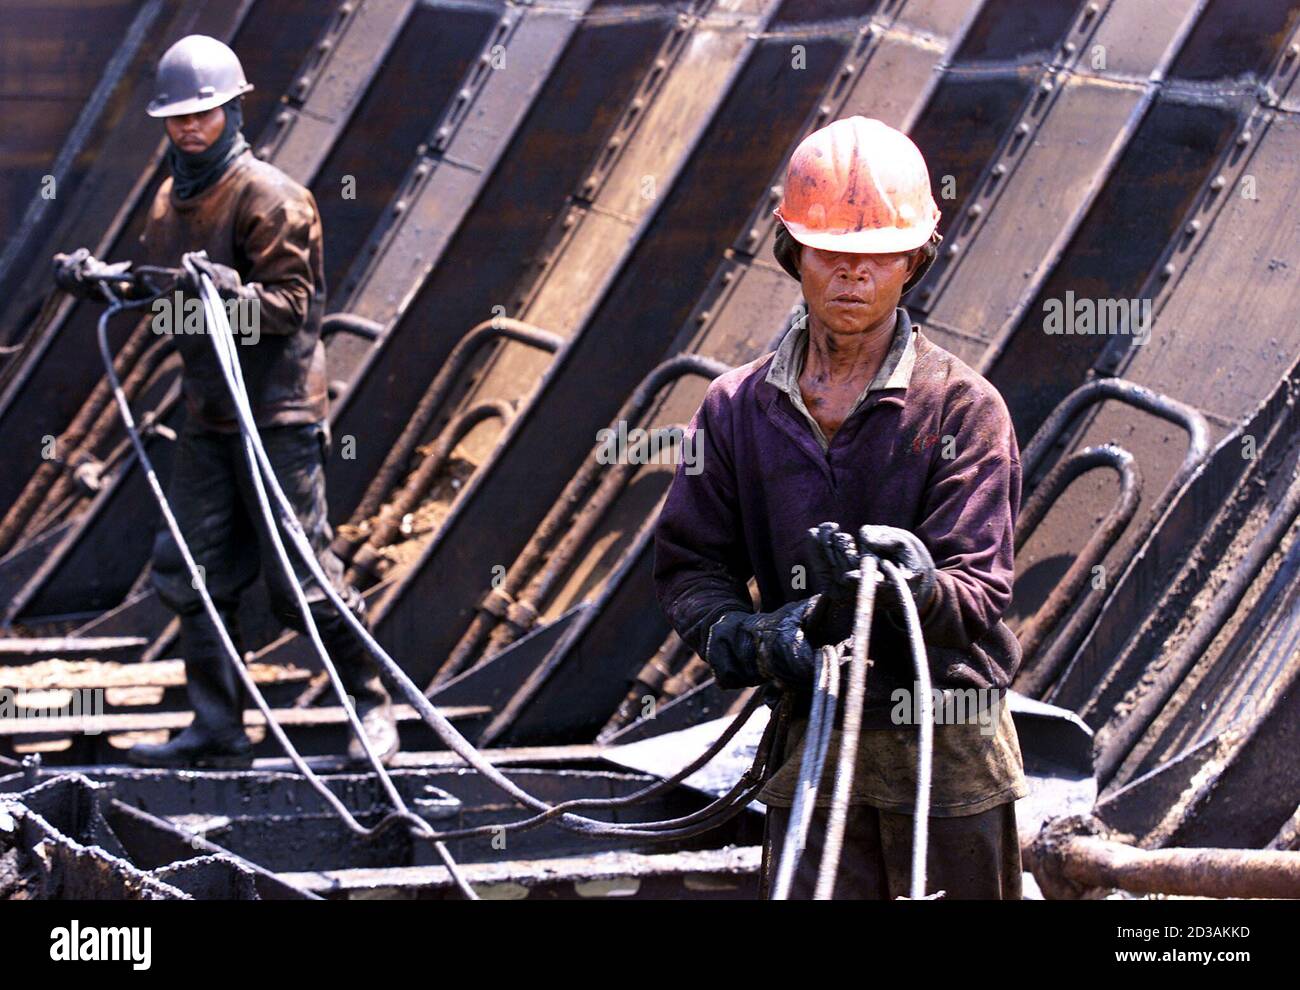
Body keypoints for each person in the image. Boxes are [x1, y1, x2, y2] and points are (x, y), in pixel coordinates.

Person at [653, 116, 1028, 899]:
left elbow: (979, 591)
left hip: (947, 755)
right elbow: (692, 569)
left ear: (914, 262)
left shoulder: (963, 410)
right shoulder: (735, 410)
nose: (852, 276)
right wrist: (758, 640)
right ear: (794, 255)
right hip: (813, 745)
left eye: (879, 257)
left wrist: (917, 588)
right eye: (831, 254)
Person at [54, 35, 397, 769]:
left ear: (233, 110)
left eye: (202, 114)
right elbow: (169, 299)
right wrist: (109, 282)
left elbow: (290, 310)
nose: (189, 128)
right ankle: (218, 727)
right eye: (176, 117)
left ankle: (371, 704)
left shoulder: (272, 197)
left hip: (276, 417)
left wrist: (230, 295)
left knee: (300, 583)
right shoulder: (170, 198)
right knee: (190, 574)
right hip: (209, 416)